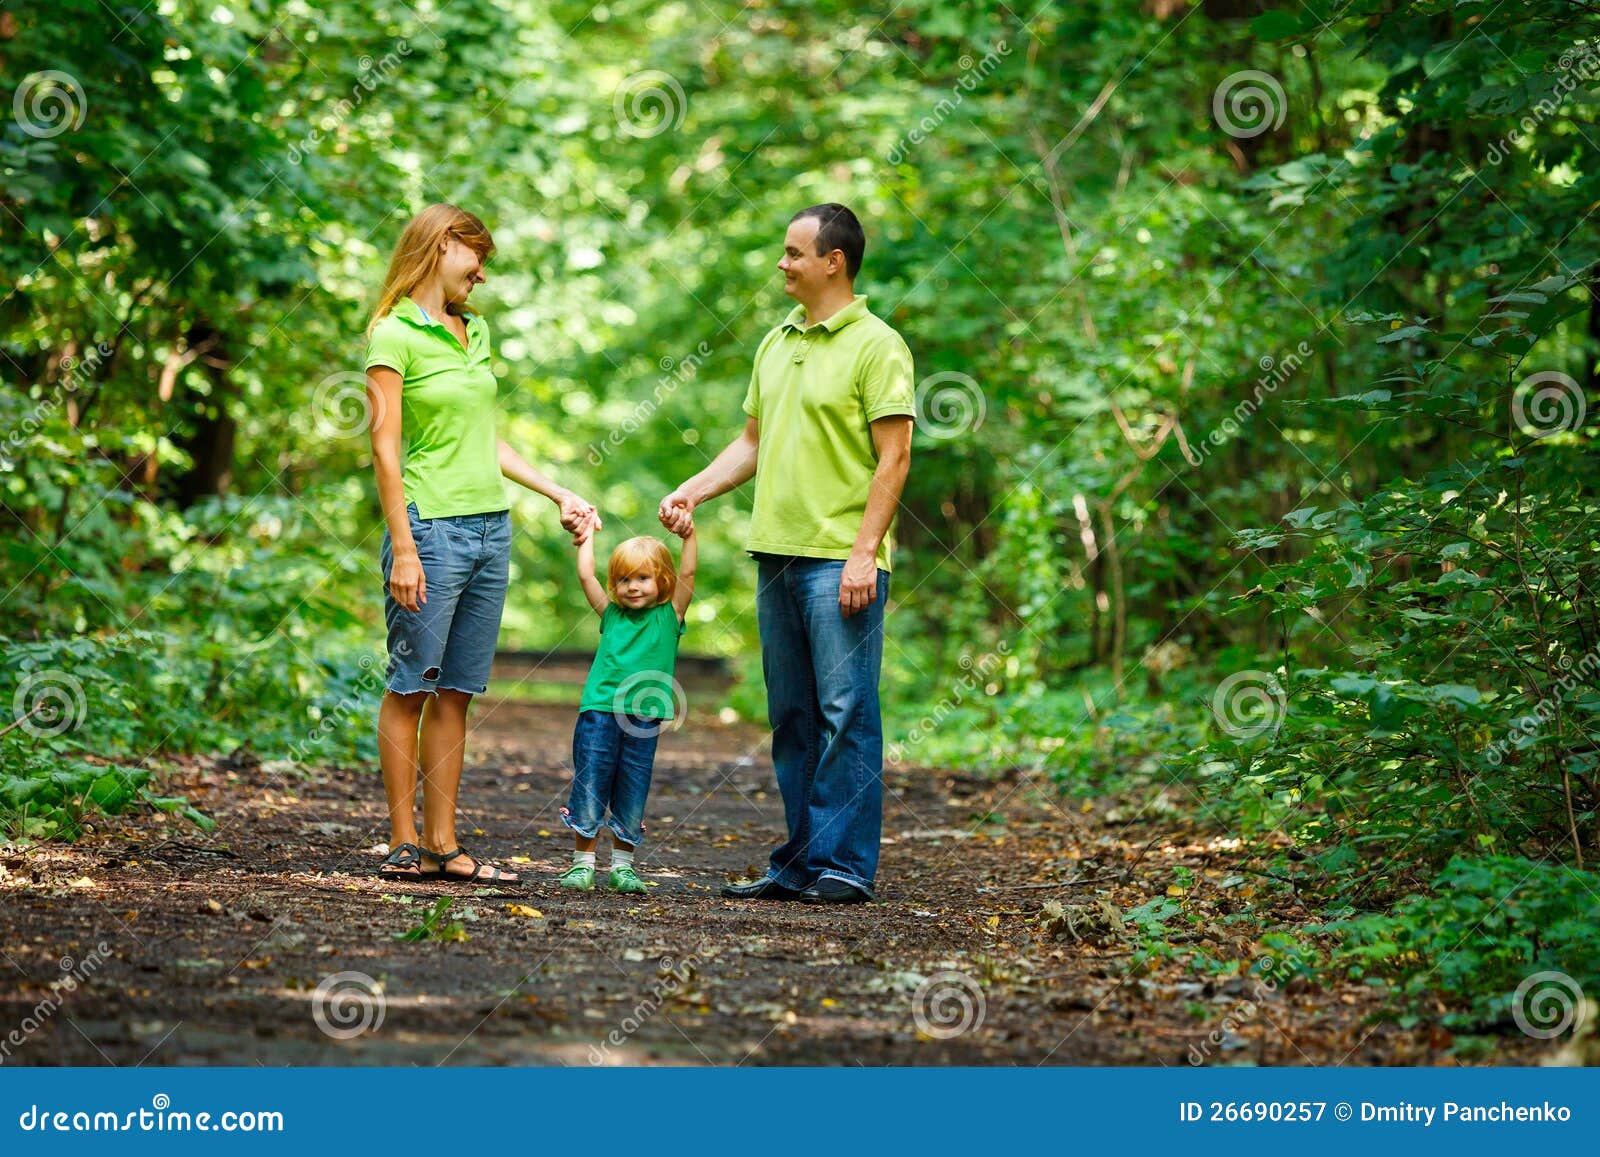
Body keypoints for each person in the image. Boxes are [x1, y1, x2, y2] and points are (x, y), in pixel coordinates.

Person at [658, 203, 913, 904]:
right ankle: (798, 861)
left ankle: (845, 865)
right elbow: (751, 441)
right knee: (793, 714)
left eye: (795, 253)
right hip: (776, 553)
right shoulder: (775, 342)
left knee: (845, 709)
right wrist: (693, 491)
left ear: (835, 261)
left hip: (841, 558)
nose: (783, 263)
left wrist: (865, 552)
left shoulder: (878, 345)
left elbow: (894, 459)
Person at [364, 203, 599, 885]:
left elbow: (483, 438)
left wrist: (556, 491)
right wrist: (404, 548)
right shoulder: (393, 333)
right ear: (443, 246)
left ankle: (444, 840)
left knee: (459, 691)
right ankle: (403, 840)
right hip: (429, 527)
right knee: (412, 685)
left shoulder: (475, 332)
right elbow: (384, 450)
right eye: (478, 258)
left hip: (491, 528)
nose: (483, 275)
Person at [557, 527, 697, 893]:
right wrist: (585, 536)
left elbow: (689, 574)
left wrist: (689, 536)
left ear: (662, 580)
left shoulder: (670, 616)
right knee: (591, 784)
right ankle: (582, 864)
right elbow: (586, 575)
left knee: (633, 786)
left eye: (643, 578)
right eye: (623, 580)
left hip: (643, 721)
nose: (632, 586)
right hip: (600, 712)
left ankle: (623, 867)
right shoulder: (611, 614)